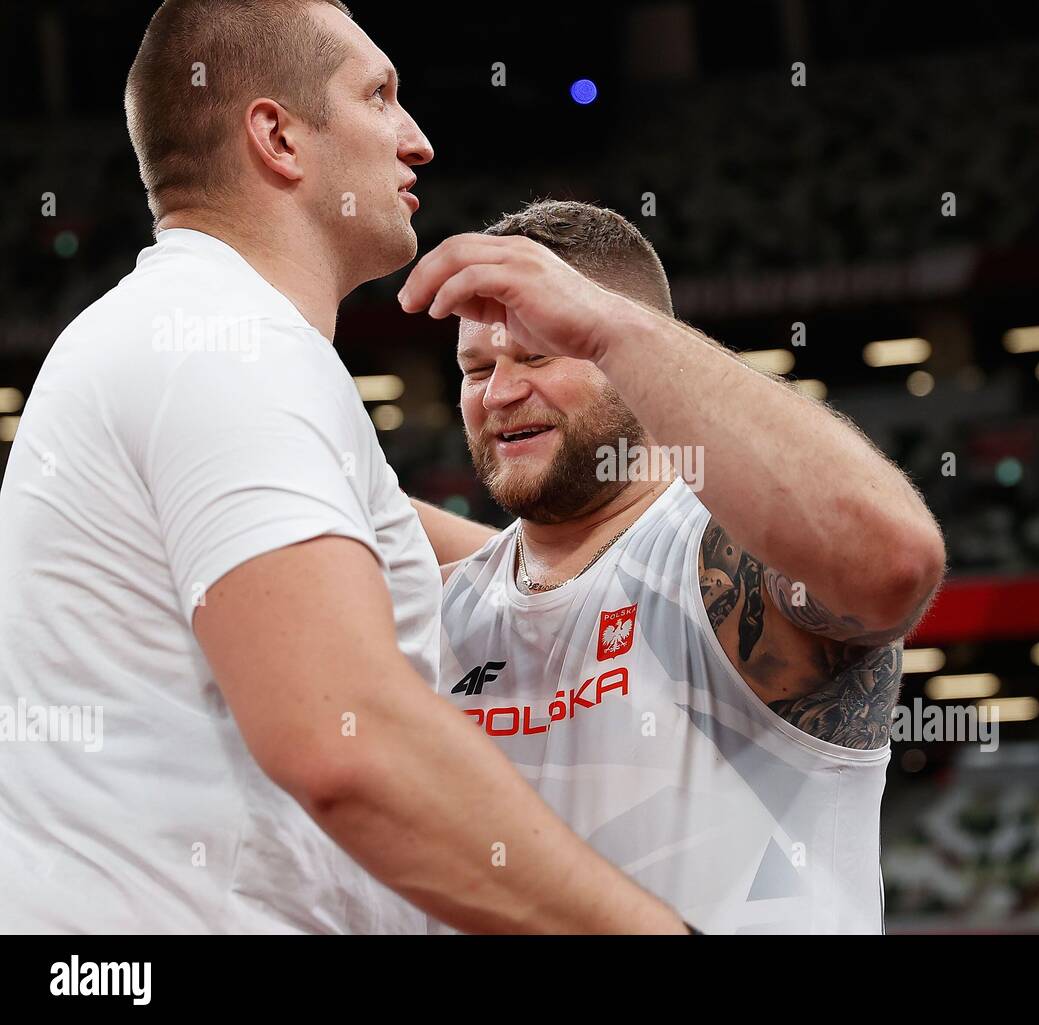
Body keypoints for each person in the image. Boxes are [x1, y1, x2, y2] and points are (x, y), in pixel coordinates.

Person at [0, 1, 686, 935]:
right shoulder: (231, 347)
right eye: (381, 96)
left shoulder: (197, 338)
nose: (420, 141)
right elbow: (347, 746)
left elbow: (499, 571)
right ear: (278, 136)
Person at [406, 200, 947, 933]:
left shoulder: (713, 565)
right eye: (477, 368)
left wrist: (613, 326)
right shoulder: (450, 596)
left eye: (537, 355)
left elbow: (893, 563)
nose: (499, 393)